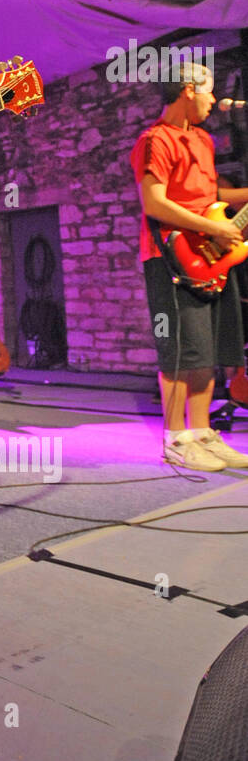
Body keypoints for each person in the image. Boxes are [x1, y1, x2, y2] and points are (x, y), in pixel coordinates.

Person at [130, 63, 248, 471]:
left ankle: (201, 433)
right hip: (170, 257)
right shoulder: (153, 141)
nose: (213, 100)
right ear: (186, 91)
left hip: (213, 254)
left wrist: (242, 199)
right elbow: (155, 203)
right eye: (208, 92)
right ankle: (175, 439)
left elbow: (208, 194)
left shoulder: (203, 139)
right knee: (181, 350)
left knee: (210, 349)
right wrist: (212, 231)